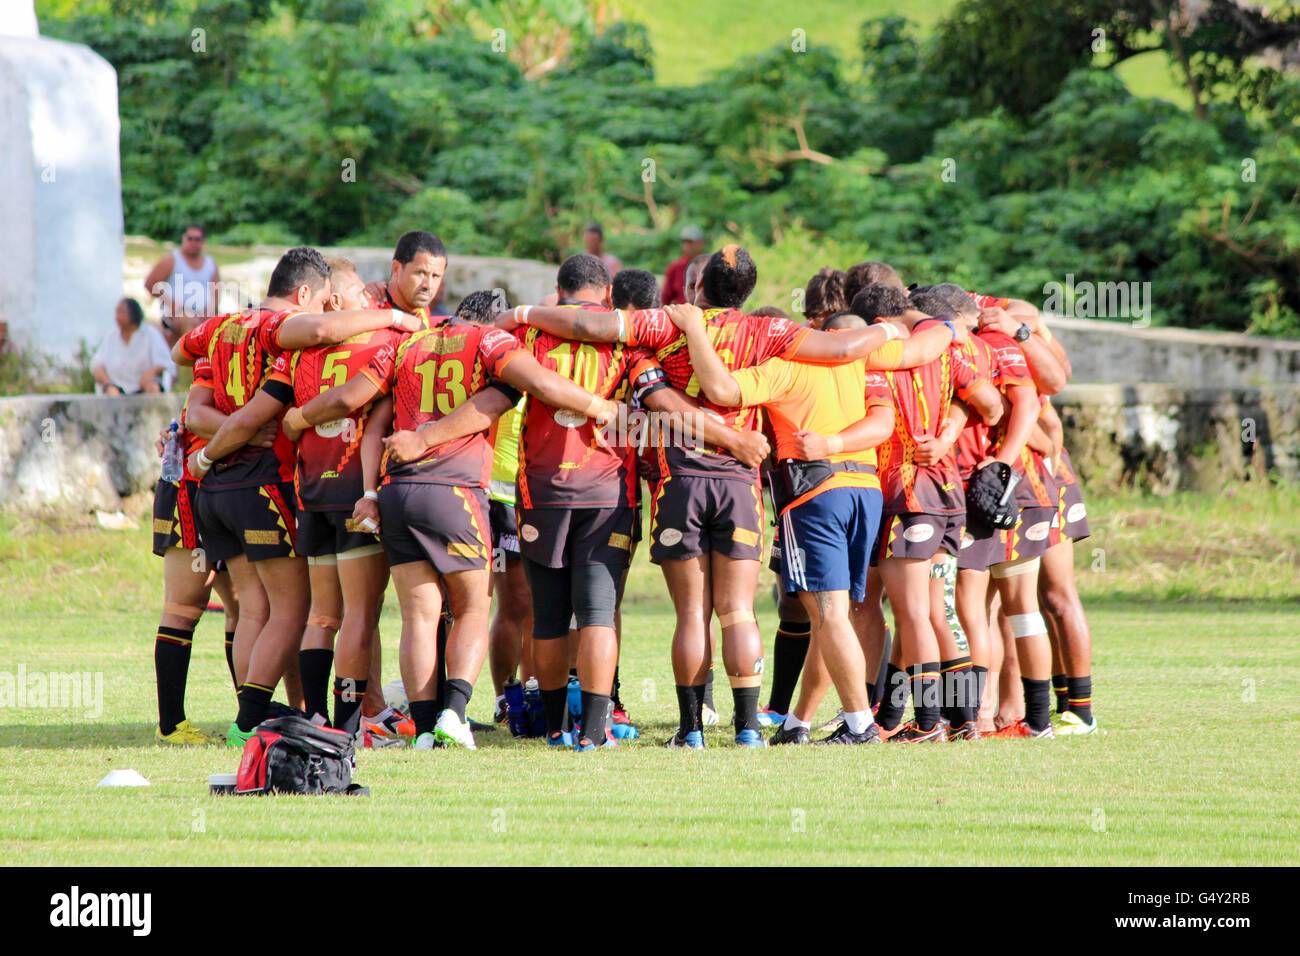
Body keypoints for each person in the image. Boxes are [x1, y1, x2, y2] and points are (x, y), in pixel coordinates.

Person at [346, 277, 623, 751]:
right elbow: (537, 381)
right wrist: (598, 405)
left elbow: (371, 421)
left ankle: (426, 728)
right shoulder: (490, 339)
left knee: (419, 615)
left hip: (396, 489)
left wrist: (369, 491)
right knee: (475, 606)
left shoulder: (409, 343)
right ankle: (454, 713)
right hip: (452, 488)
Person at [173, 246, 428, 746]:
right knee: (321, 612)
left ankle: (287, 715)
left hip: (241, 488)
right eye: (347, 298)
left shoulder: (226, 331)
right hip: (287, 485)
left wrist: (207, 456)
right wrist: (398, 318)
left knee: (264, 608)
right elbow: (324, 359)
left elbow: (189, 383)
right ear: (314, 296)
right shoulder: (300, 338)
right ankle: (303, 721)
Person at [672, 307, 899, 743]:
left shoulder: (782, 367)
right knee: (830, 615)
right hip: (865, 490)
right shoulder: (858, 363)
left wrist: (696, 330)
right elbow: (883, 422)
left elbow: (720, 389)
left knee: (828, 613)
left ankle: (859, 724)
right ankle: (799, 722)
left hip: (816, 493)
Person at [149, 355, 252, 744]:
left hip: (231, 488)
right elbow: (193, 412)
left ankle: (249, 716)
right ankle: (171, 723)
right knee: (185, 605)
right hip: (191, 487)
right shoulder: (218, 353)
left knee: (244, 604)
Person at [143, 224, 220, 344]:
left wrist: (209, 312)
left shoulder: (210, 263)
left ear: (203, 241)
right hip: (177, 314)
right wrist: (173, 305)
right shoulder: (171, 259)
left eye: (197, 239)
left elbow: (217, 292)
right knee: (191, 323)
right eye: (190, 239)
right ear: (184, 238)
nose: (193, 243)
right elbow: (150, 284)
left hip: (204, 313)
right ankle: (191, 358)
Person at [92, 298, 175, 395]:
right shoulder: (111, 336)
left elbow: (167, 364)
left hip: (144, 389)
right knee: (111, 393)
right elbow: (97, 365)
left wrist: (152, 371)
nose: (116, 317)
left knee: (153, 389)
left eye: (121, 313)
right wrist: (107, 384)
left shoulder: (151, 334)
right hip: (117, 391)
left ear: (132, 314)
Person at [661, 225, 706, 305]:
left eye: (691, 242)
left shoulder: (710, 266)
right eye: (685, 243)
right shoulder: (675, 267)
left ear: (701, 243)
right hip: (681, 313)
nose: (688, 246)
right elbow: (665, 298)